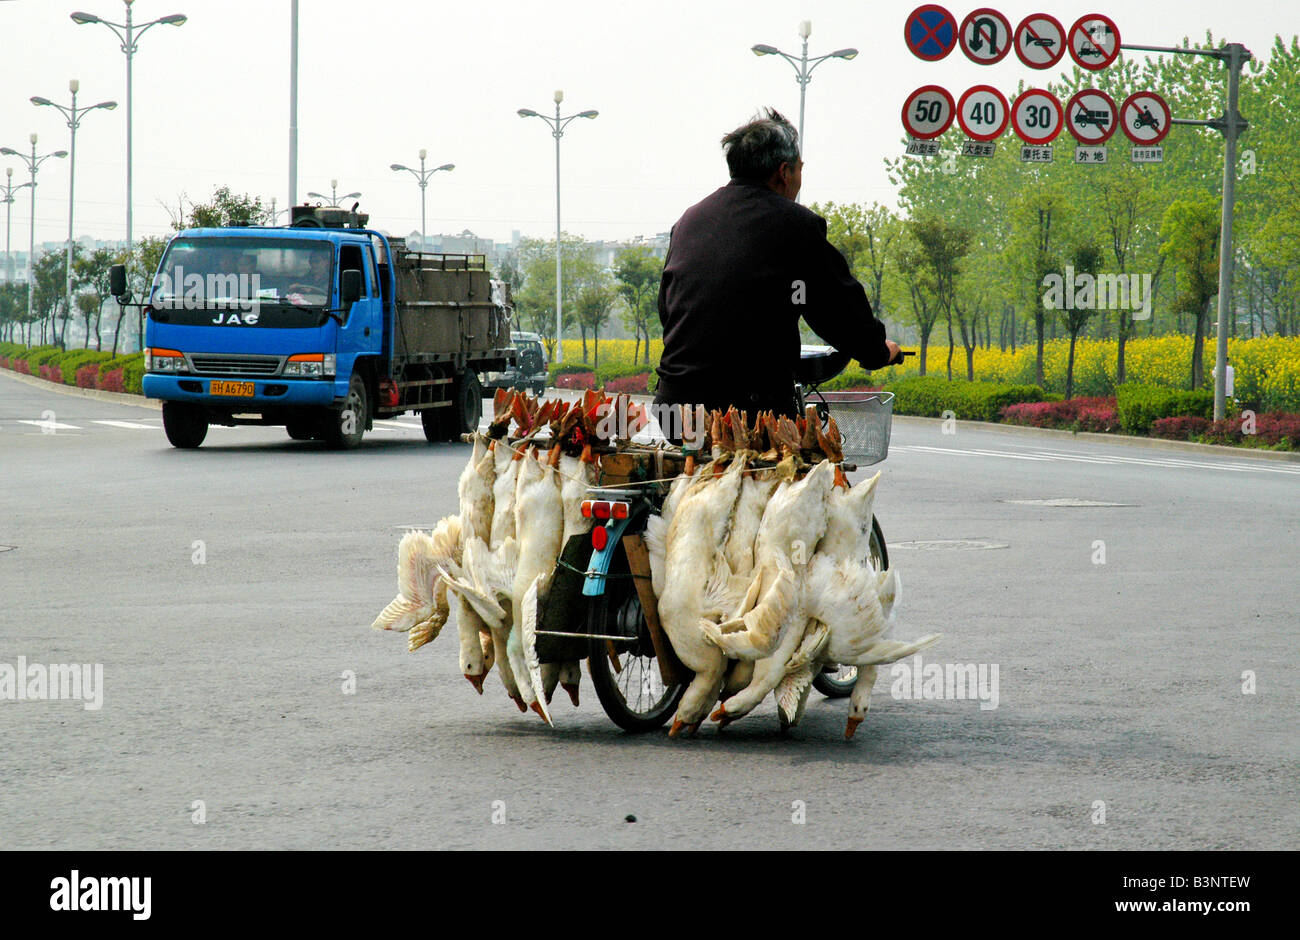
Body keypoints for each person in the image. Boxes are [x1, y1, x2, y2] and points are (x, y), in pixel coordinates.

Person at [653, 107, 901, 444]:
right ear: (784, 172)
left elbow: (669, 308)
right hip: (748, 414)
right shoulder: (795, 224)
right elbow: (837, 309)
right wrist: (877, 350)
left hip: (675, 407)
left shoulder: (689, 221)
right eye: (800, 170)